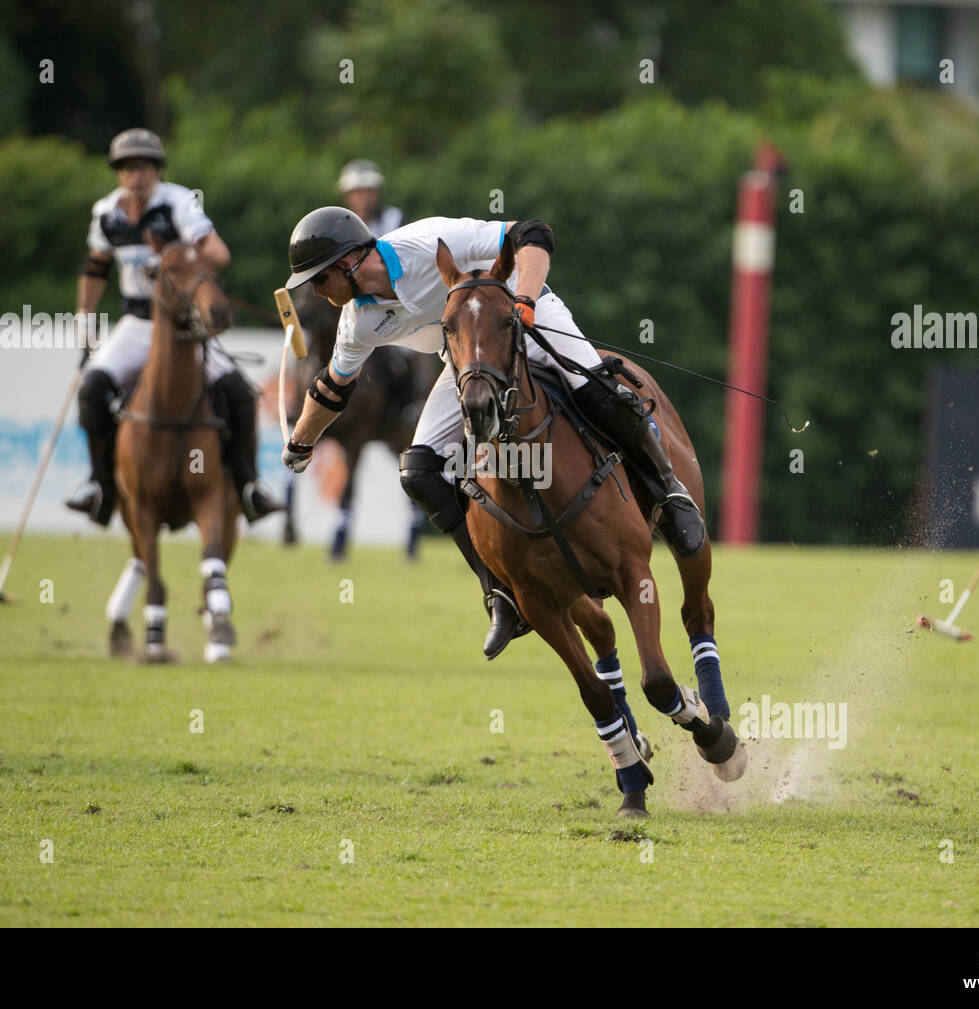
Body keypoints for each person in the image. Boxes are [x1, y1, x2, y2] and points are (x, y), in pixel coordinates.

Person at [279, 207, 706, 659]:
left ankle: (670, 495)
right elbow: (332, 388)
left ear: (347, 262)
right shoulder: (357, 322)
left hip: (523, 313)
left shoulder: (428, 241)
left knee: (599, 391)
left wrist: (523, 301)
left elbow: (533, 233)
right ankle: (499, 593)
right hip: (466, 359)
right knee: (419, 470)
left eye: (319, 280)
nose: (316, 292)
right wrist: (300, 443)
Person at [65, 128, 282, 525]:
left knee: (237, 391)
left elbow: (218, 252)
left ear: (158, 170)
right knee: (93, 389)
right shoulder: (106, 213)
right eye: (130, 168)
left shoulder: (179, 203)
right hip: (136, 322)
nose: (138, 176)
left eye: (146, 167)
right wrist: (84, 317)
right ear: (119, 174)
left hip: (182, 329)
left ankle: (250, 487)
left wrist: (177, 253)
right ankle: (100, 487)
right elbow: (95, 268)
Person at [338, 160, 403, 237]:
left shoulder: (394, 219)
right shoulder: (337, 227)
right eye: (359, 192)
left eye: (370, 191)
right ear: (347, 196)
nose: (365, 197)